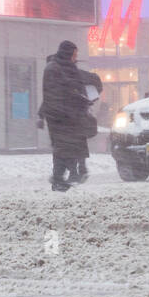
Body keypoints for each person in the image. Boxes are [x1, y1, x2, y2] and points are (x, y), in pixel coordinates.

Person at [40, 40, 90, 192]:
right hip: (59, 118)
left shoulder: (68, 68)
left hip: (71, 116)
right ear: (67, 53)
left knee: (68, 147)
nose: (75, 58)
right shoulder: (53, 69)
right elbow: (55, 93)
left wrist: (82, 97)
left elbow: (77, 86)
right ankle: (59, 178)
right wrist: (74, 95)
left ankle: (63, 177)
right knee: (63, 147)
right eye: (74, 55)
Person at [75, 67, 104, 183]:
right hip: (78, 114)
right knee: (78, 142)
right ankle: (80, 169)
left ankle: (78, 170)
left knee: (74, 142)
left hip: (74, 115)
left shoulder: (67, 74)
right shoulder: (79, 74)